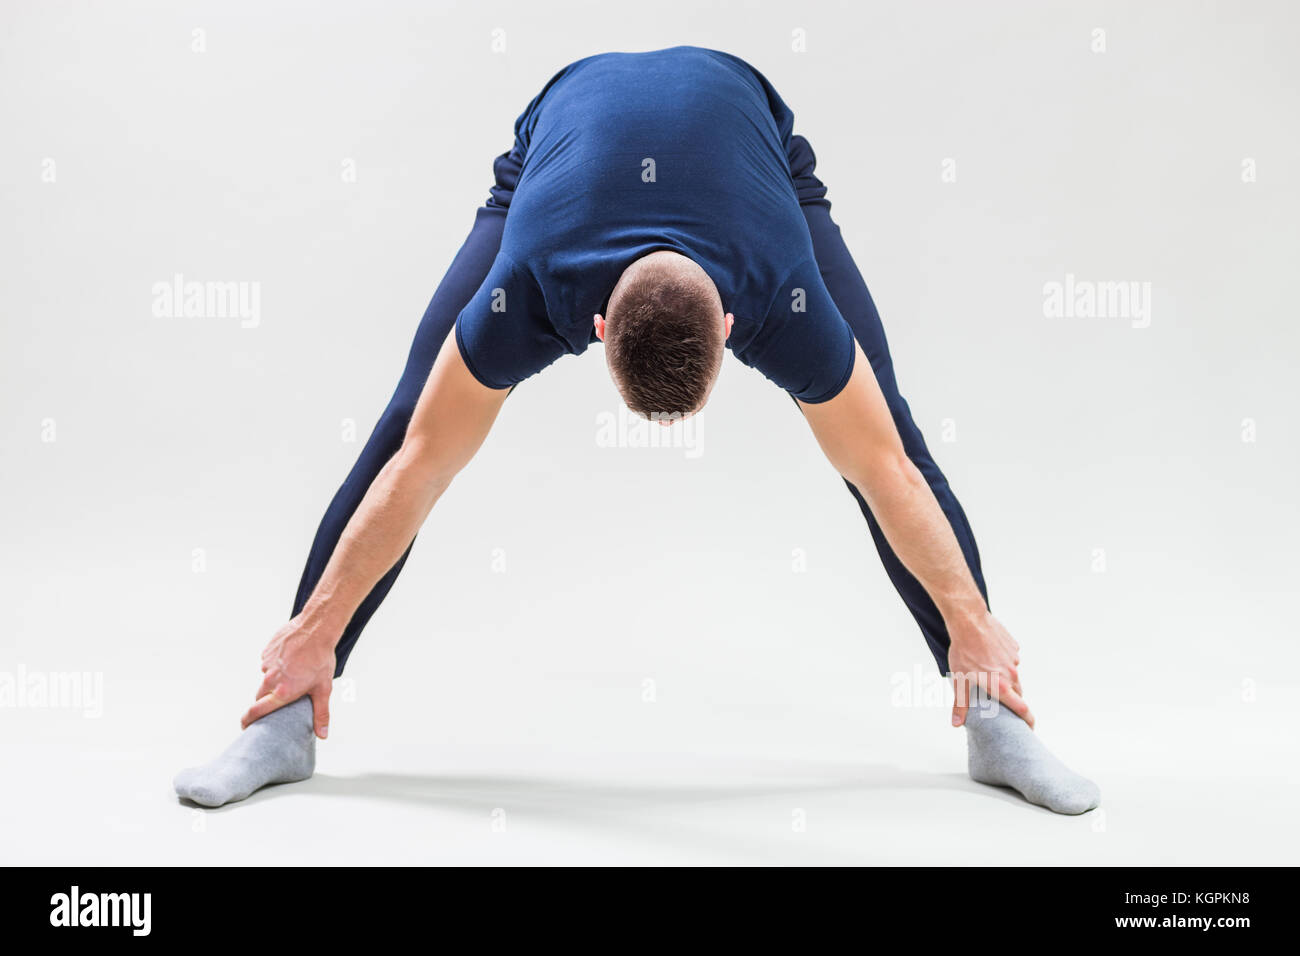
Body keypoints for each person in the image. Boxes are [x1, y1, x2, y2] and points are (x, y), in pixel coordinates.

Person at [174, 46, 1099, 814]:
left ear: (736, 327)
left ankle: (994, 717)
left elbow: (886, 469)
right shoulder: (530, 281)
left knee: (886, 430)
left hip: (756, 145)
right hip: (559, 133)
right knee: (409, 422)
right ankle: (286, 711)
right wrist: (315, 629)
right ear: (594, 327)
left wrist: (974, 626)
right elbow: (422, 464)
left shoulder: (782, 283)